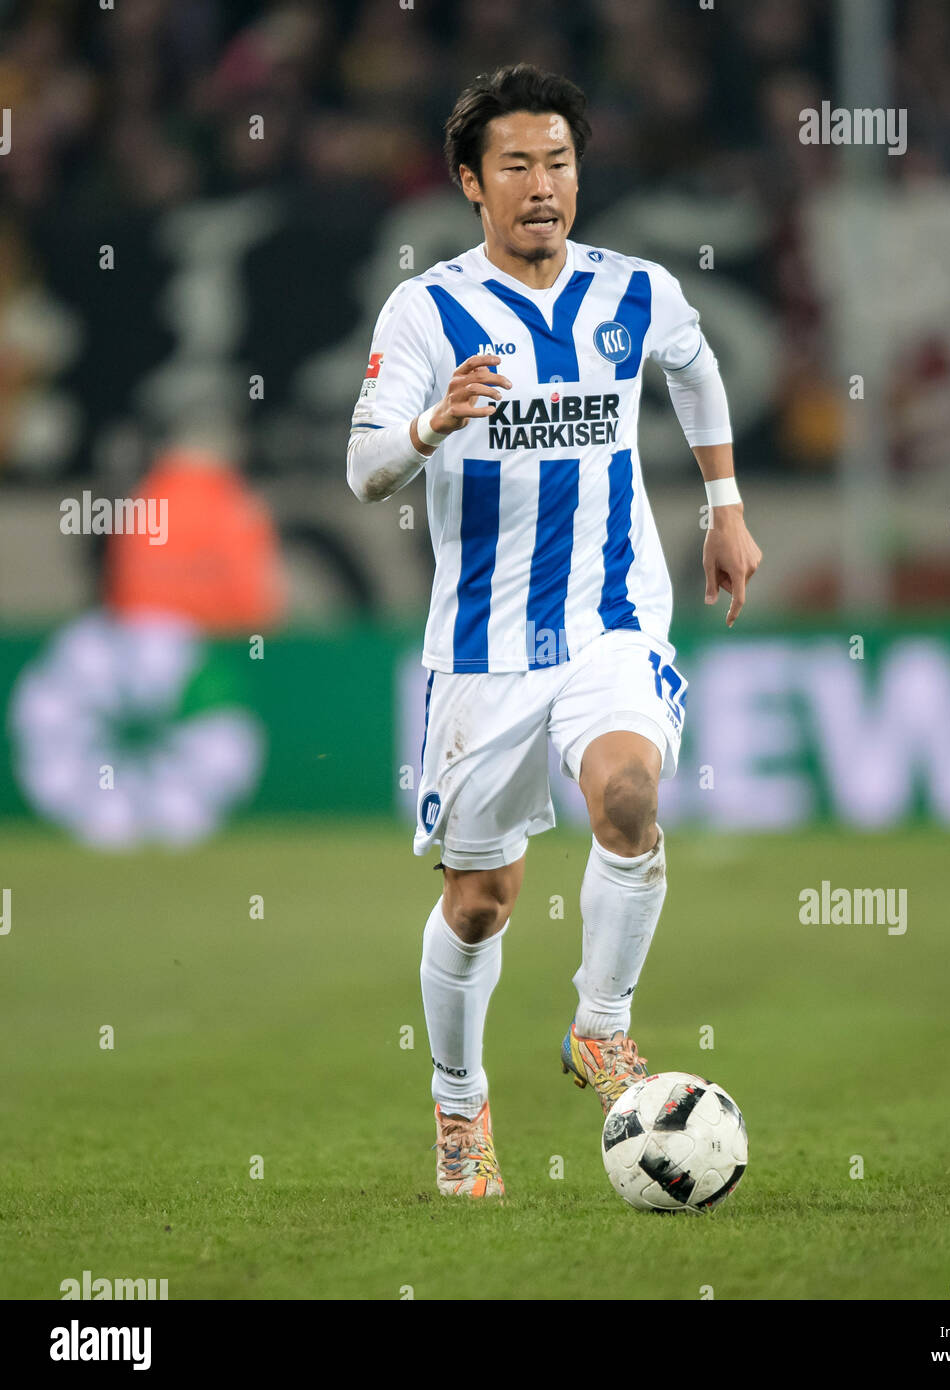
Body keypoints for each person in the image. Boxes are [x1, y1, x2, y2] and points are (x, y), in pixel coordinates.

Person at [347, 63, 761, 1197]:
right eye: (518, 165)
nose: (543, 185)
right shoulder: (427, 310)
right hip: (480, 649)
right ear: (471, 184)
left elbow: (695, 368)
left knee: (627, 792)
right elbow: (363, 468)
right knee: (480, 900)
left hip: (611, 619)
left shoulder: (635, 291)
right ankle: (459, 1103)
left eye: (561, 162)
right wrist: (434, 423)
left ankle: (602, 1023)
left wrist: (725, 506)